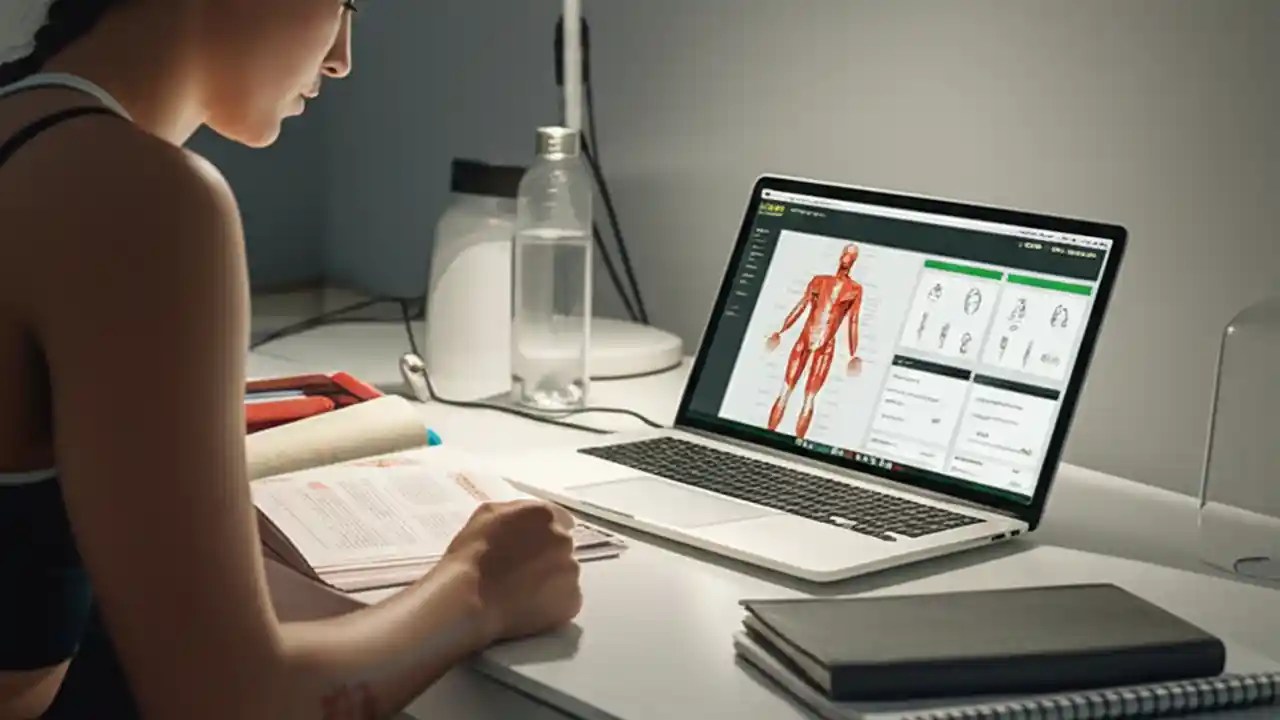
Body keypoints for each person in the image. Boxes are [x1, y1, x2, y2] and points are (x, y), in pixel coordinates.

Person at [0, 1, 583, 718]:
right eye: (343, 5)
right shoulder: (133, 194)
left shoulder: (25, 127)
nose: (342, 57)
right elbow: (228, 701)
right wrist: (479, 588)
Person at [764, 243, 864, 439]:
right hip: (804, 339)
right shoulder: (819, 281)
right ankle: (766, 438)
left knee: (809, 398)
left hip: (825, 347)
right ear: (841, 255)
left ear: (855, 261)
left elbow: (853, 321)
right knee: (785, 391)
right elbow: (801, 306)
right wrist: (782, 331)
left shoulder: (855, 289)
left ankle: (799, 445)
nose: (847, 258)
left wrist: (853, 354)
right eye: (846, 253)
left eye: (852, 256)